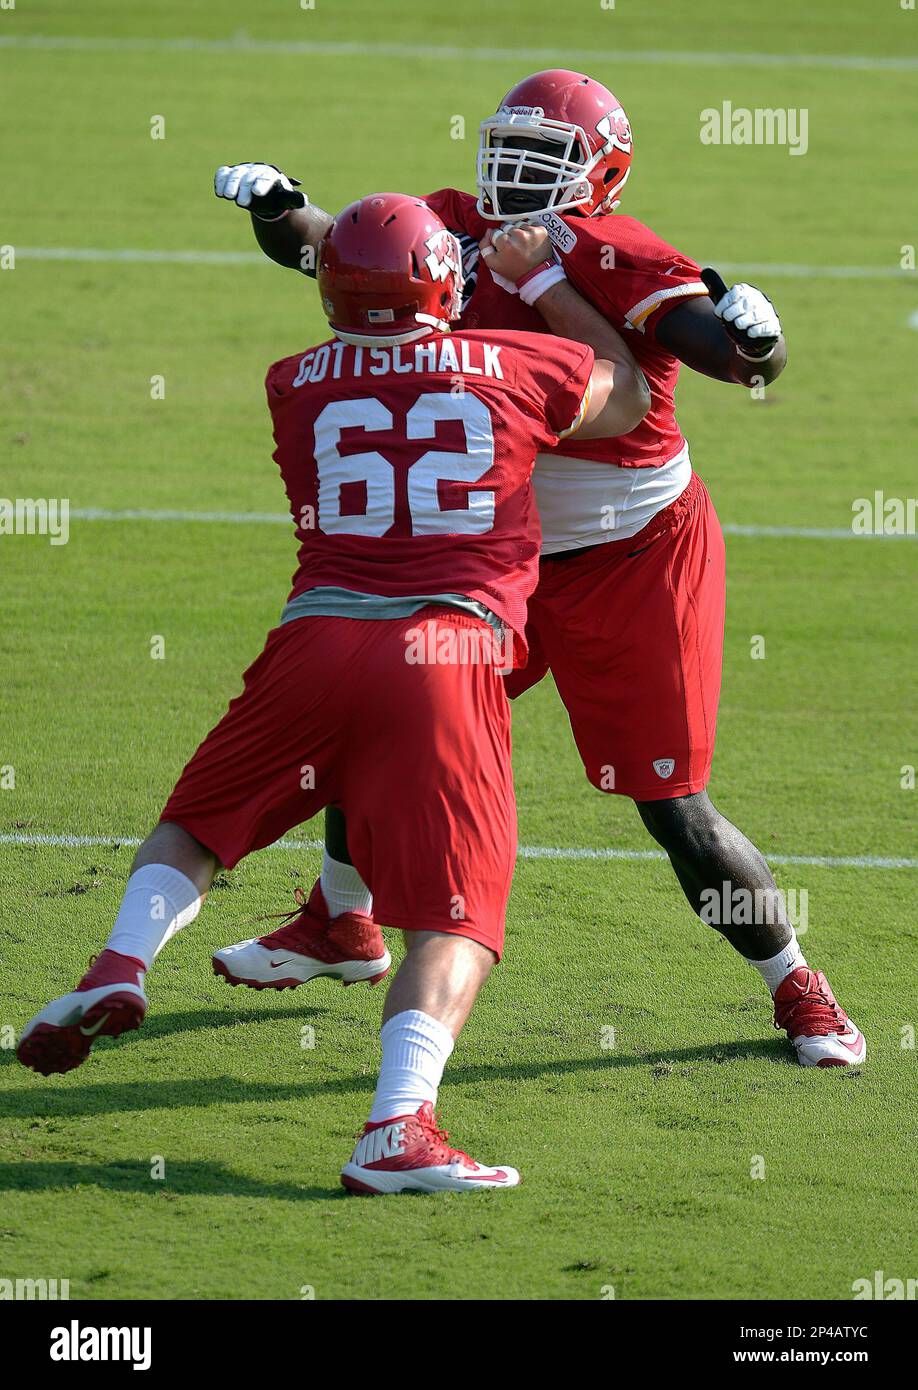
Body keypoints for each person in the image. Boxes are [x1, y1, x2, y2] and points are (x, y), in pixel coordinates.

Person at [210, 68, 866, 1069]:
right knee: (380, 718)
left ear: (600, 175)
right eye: (509, 148)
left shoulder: (611, 250)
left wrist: (757, 340)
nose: (517, 172)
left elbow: (728, 362)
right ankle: (342, 926)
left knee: (671, 803)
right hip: (497, 552)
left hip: (635, 556)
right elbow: (331, 254)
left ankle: (796, 981)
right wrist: (282, 205)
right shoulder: (448, 226)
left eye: (546, 156)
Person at [18, 194, 651, 1192]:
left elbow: (376, 348)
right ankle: (396, 1127)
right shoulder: (517, 363)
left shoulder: (293, 383)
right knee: (454, 920)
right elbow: (627, 398)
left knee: (199, 823)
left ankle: (117, 964)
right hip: (446, 651)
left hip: (316, 637)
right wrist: (545, 286)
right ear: (446, 279)